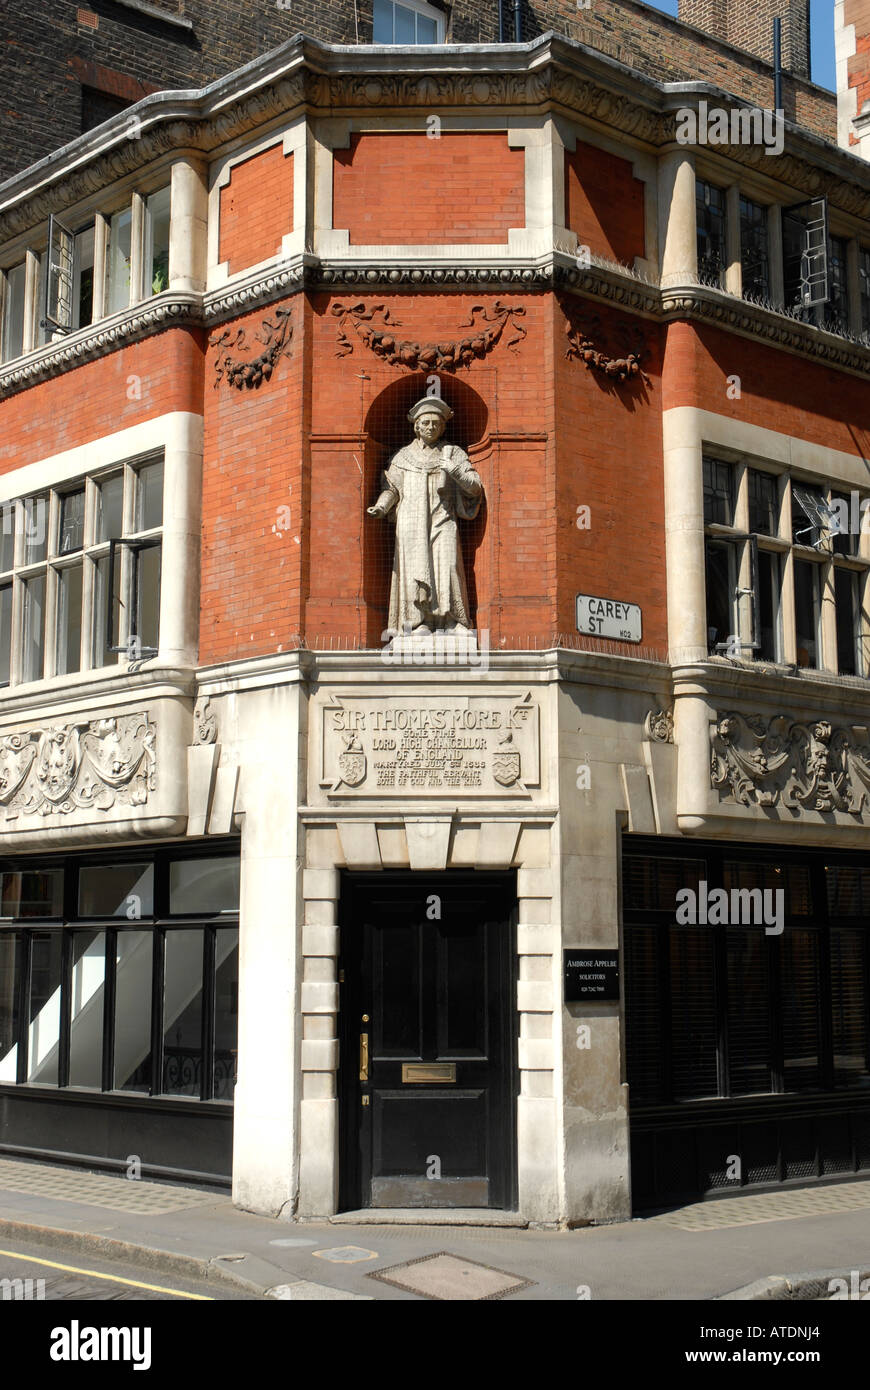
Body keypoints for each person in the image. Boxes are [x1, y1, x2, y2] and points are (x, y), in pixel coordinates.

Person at [368, 397, 483, 633]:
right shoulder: (402, 457)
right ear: (416, 426)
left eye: (436, 423)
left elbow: (474, 488)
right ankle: (418, 621)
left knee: (448, 564)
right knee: (414, 568)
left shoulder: (453, 453)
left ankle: (454, 620)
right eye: (426, 423)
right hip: (411, 522)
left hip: (443, 517)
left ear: (442, 427)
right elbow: (392, 489)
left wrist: (453, 470)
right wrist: (381, 506)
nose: (431, 427)